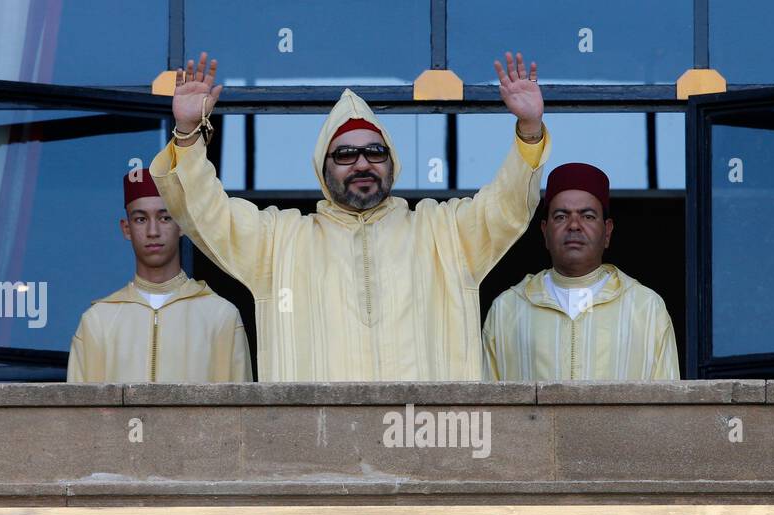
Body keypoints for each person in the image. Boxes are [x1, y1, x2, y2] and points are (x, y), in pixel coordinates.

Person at [150, 51, 550, 382]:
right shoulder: (280, 242)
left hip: (427, 444)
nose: (362, 163)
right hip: (318, 460)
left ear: (392, 162)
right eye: (345, 154)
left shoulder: (443, 232)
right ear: (323, 170)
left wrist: (529, 128)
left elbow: (508, 206)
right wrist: (187, 133)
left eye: (375, 152)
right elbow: (205, 212)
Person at [482, 163, 679, 381]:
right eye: (561, 216)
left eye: (587, 216)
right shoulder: (507, 309)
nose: (574, 225)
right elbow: (486, 406)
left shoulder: (646, 308)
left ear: (607, 232)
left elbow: (668, 408)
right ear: (545, 232)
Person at [67, 172, 252, 383]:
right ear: (126, 229)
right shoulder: (97, 321)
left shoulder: (221, 317)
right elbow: (79, 415)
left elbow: (239, 413)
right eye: (140, 219)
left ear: (183, 223)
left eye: (165, 218)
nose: (153, 231)